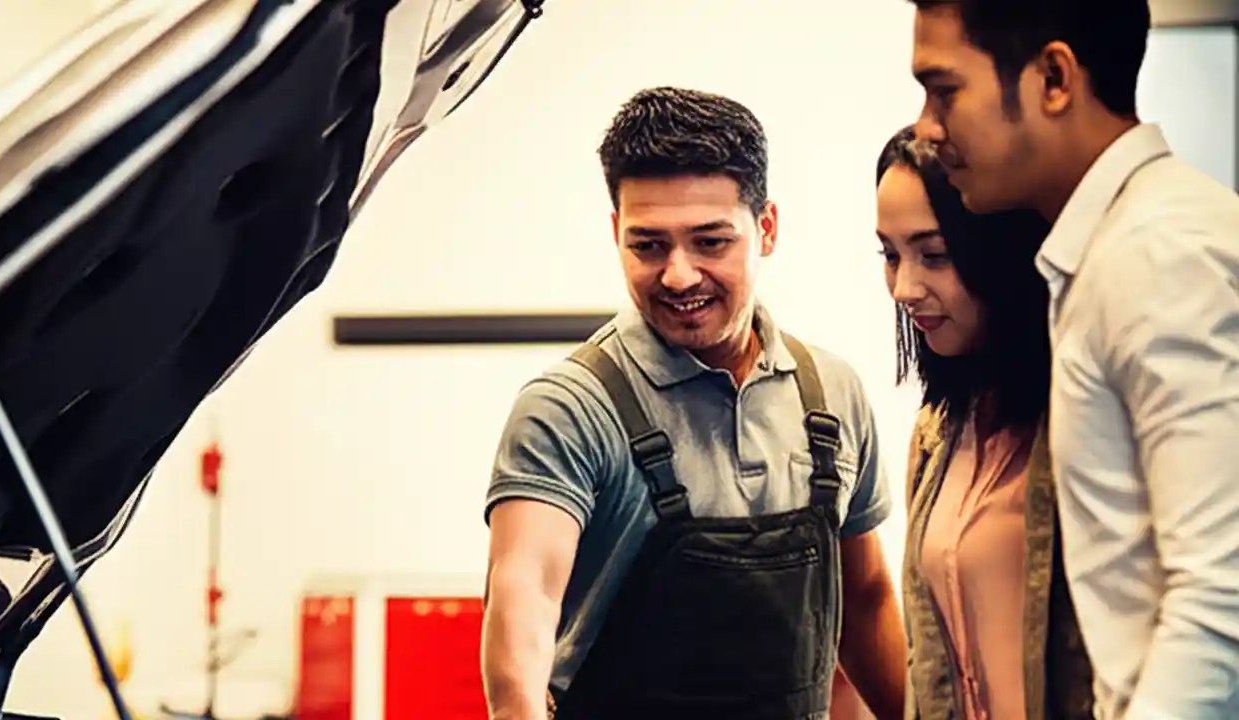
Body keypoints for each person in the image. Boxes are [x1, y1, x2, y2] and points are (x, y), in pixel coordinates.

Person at [479, 86, 907, 720]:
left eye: (710, 242)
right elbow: (524, 605)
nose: (678, 276)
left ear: (765, 229)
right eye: (648, 245)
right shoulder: (568, 408)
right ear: (616, 232)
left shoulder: (832, 394)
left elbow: (866, 599)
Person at [907, 2, 1239, 718]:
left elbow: (1220, 594)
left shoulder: (1159, 252)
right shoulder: (1109, 250)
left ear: (1054, 78)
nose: (929, 128)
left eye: (944, 90)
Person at [875, 124, 1093, 720]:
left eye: (935, 255)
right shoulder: (939, 428)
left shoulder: (1086, 417)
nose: (903, 287)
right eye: (890, 255)